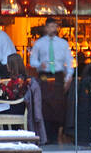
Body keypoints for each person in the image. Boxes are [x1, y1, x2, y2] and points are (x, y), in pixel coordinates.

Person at [29, 17, 74, 145]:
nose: (52, 29)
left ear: (56, 28)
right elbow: (32, 61)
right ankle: (46, 135)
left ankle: (55, 135)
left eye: (54, 26)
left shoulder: (63, 44)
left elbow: (69, 62)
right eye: (50, 26)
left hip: (58, 75)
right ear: (46, 28)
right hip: (44, 75)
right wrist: (39, 64)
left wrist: (68, 77)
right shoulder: (39, 43)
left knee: (58, 106)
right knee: (45, 105)